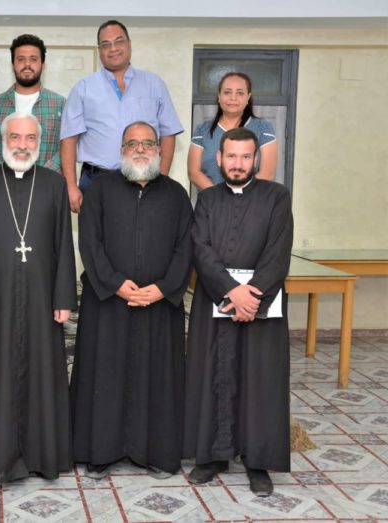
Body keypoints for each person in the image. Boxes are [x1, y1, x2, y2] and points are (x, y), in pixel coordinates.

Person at [71, 122, 193, 480]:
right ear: (121, 150)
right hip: (109, 302)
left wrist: (164, 287)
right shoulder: (100, 190)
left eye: (147, 143)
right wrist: (116, 284)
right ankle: (101, 451)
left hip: (160, 304)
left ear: (158, 149)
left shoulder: (175, 194)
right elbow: (89, 244)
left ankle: (154, 451)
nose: (140, 149)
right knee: (104, 377)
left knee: (156, 379)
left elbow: (186, 247)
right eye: (132, 144)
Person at [0, 112, 76, 483]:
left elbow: (63, 245)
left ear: (39, 144)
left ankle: (43, 455)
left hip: (42, 296)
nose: (22, 144)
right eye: (15, 137)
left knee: (43, 371)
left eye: (29, 138)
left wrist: (64, 298)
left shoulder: (55, 184)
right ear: (2, 140)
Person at [183, 127, 293, 497]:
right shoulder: (208, 199)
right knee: (210, 374)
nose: (238, 163)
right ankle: (213, 456)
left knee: (259, 380)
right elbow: (200, 248)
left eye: (246, 156)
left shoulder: (277, 197)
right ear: (218, 159)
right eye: (231, 156)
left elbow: (278, 251)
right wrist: (232, 292)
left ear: (256, 159)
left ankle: (257, 461)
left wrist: (252, 297)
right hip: (216, 300)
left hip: (262, 304)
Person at [60, 20, 183, 213]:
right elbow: (68, 140)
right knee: (95, 240)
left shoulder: (154, 84)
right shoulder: (83, 88)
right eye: (106, 44)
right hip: (95, 180)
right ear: (99, 50)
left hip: (143, 178)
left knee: (142, 239)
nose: (113, 49)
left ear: (129, 44)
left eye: (119, 41)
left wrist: (162, 178)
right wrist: (70, 186)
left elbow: (168, 134)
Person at [0, 34, 64, 173]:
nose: (27, 64)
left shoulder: (60, 104)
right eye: (21, 59)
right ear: (13, 65)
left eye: (33, 59)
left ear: (43, 65)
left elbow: (66, 146)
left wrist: (45, 175)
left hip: (47, 185)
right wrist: (2, 173)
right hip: (1, 186)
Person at [188, 72, 277, 191]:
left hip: (251, 205)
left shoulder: (263, 128)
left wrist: (241, 198)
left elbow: (268, 172)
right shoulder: (202, 130)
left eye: (240, 93)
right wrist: (219, 198)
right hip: (212, 204)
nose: (233, 98)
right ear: (219, 96)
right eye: (227, 92)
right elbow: (194, 172)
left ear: (248, 98)